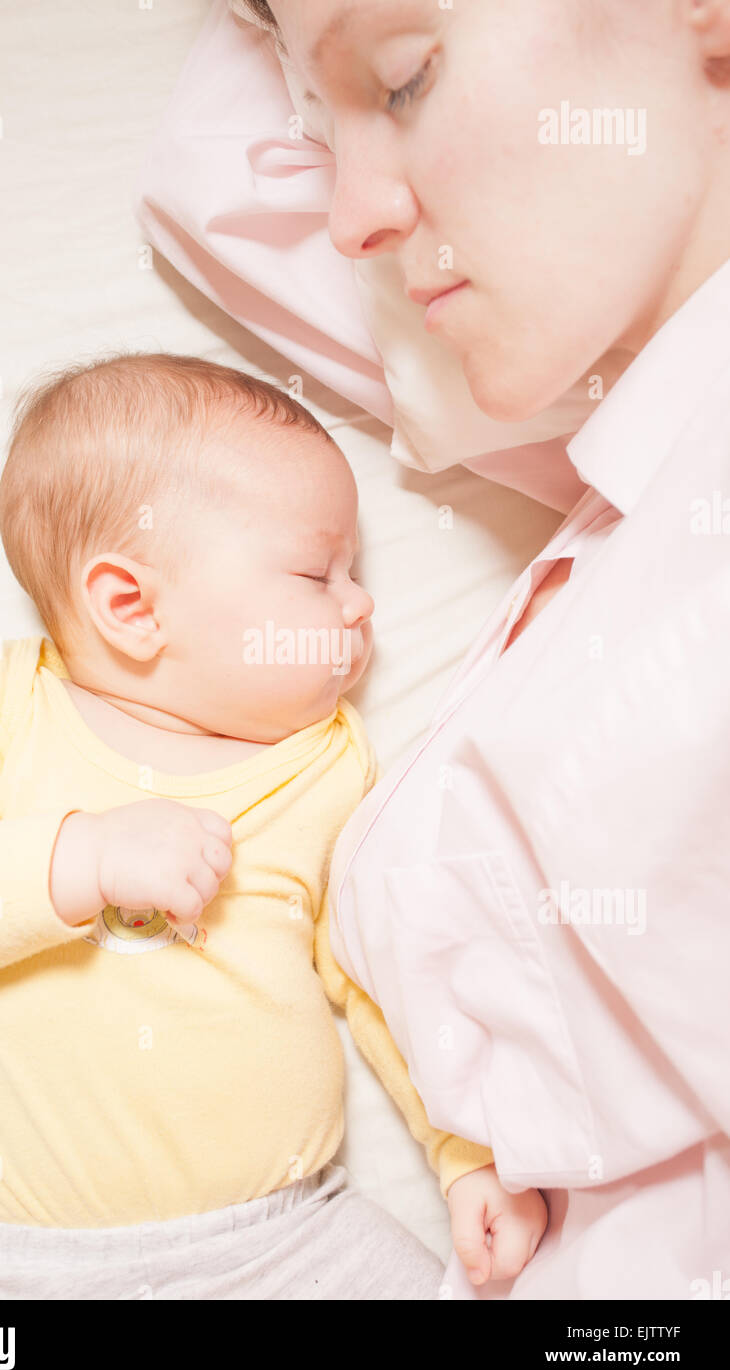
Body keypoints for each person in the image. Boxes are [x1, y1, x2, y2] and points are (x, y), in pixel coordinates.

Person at [0, 352, 547, 1300]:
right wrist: (82, 856)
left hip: (291, 1242)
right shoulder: (5, 708)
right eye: (319, 571)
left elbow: (380, 974)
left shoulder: (327, 764)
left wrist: (463, 1150)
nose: (361, 605)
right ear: (132, 607)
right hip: (27, 1270)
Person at [244, 0, 730, 1298]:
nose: (345, 217)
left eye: (400, 82)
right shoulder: (635, 439)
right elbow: (211, 187)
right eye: (309, 119)